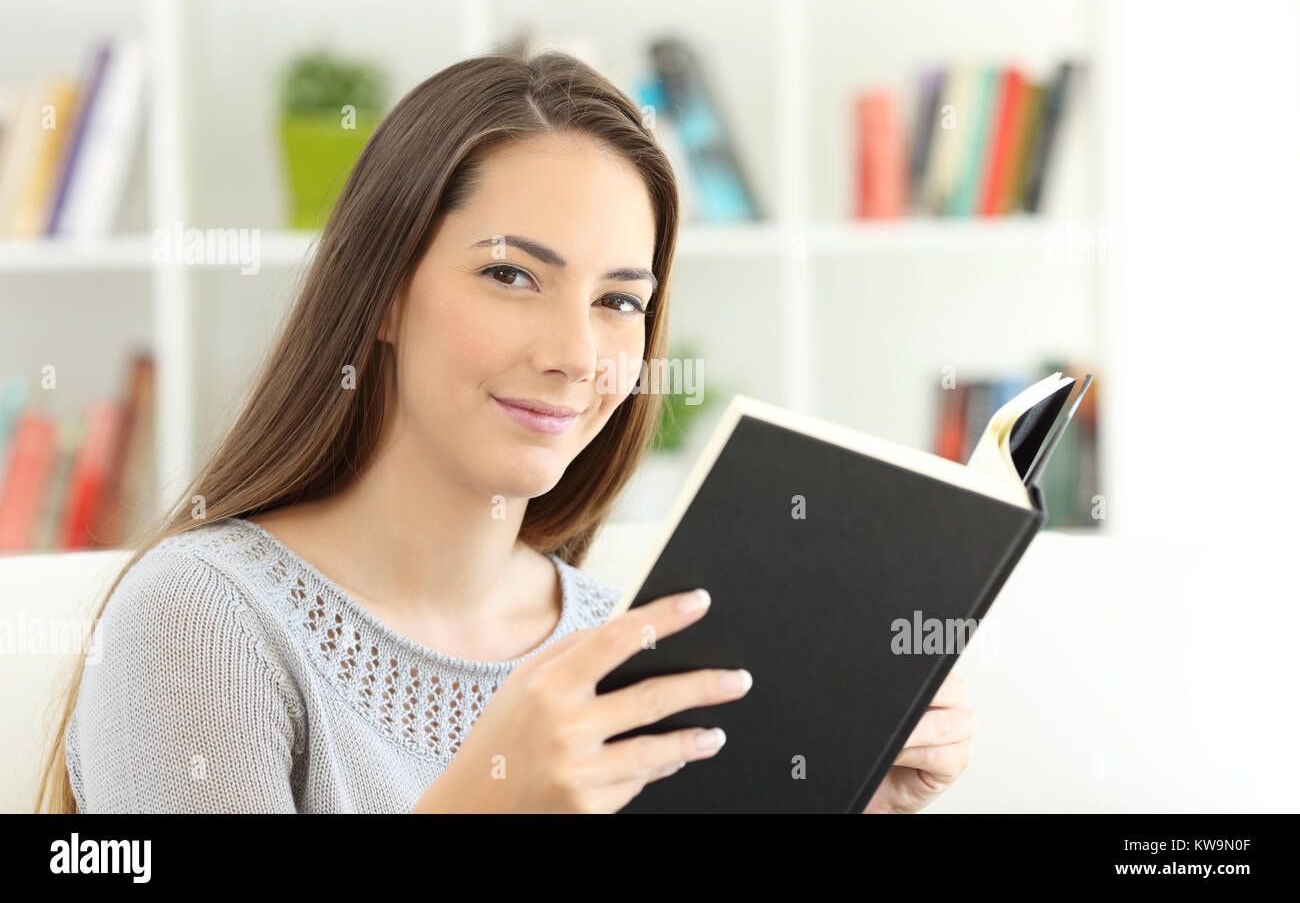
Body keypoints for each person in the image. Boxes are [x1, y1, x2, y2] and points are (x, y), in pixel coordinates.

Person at [36, 49, 975, 813]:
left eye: (618, 300)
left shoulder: (628, 646)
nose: (577, 353)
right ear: (386, 294)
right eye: (512, 276)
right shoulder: (201, 620)